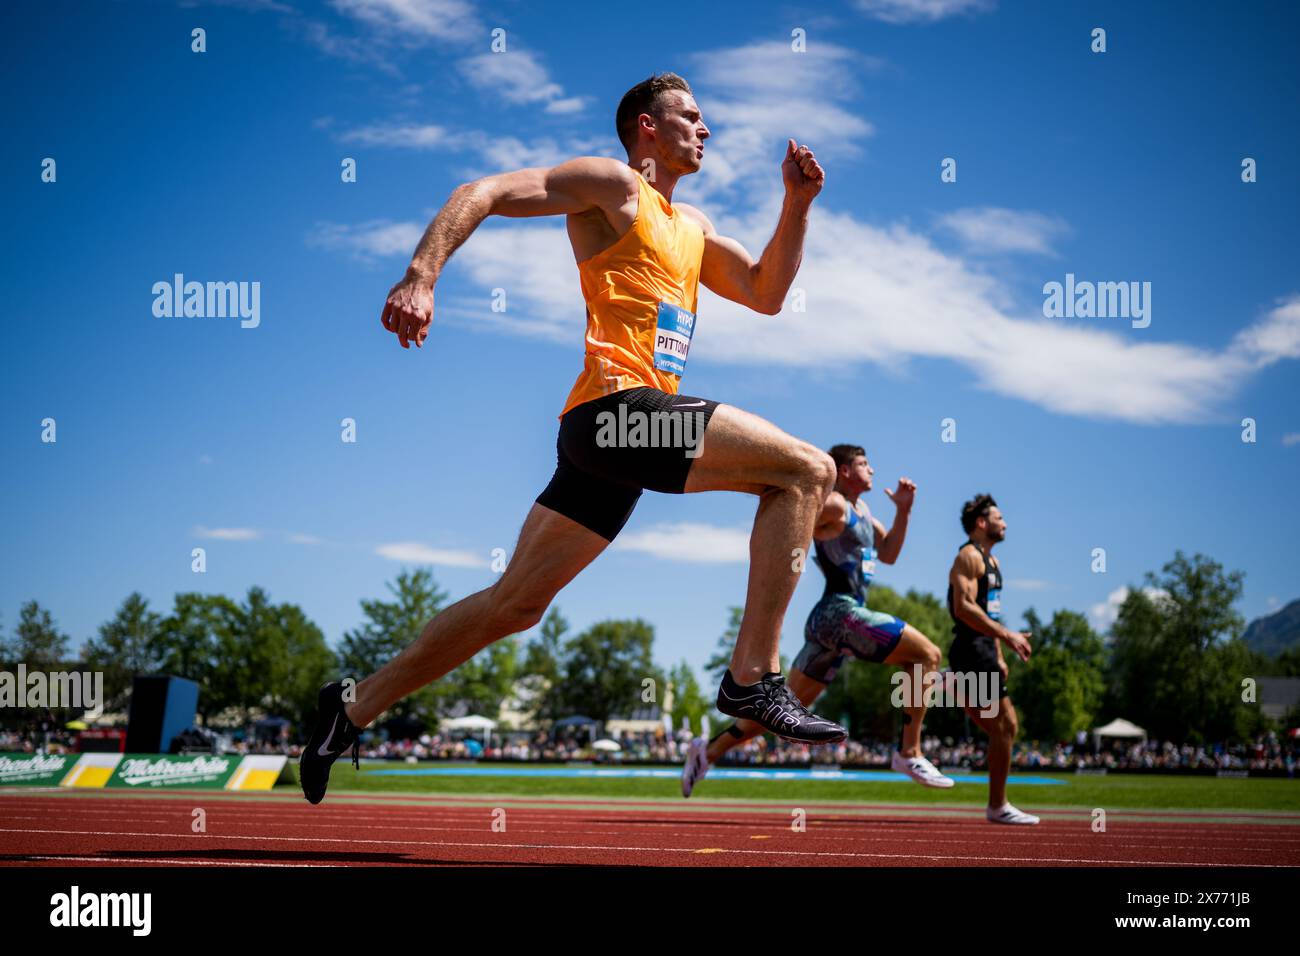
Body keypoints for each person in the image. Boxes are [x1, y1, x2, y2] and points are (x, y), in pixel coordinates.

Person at [300, 72, 849, 805]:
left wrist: (797, 204)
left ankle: (350, 707)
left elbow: (765, 292)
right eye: (690, 116)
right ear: (646, 128)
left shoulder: (693, 229)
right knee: (807, 471)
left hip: (615, 443)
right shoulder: (612, 185)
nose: (706, 129)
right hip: (616, 412)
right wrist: (420, 275)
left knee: (514, 607)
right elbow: (484, 190)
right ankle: (753, 678)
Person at [682, 445, 952, 796]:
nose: (872, 469)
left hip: (830, 626)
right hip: (841, 613)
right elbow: (796, 515)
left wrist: (904, 511)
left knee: (777, 712)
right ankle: (909, 752)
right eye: (863, 464)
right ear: (843, 471)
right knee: (926, 656)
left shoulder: (865, 514)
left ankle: (707, 750)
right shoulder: (837, 506)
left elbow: (889, 554)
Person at [946, 493, 1038, 824]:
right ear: (981, 523)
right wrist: (1007, 636)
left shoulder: (994, 563)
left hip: (985, 650)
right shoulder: (968, 557)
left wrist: (999, 652)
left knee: (995, 727)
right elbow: (964, 608)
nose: (1005, 523)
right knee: (1006, 725)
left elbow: (990, 612)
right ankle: (998, 806)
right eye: (999, 518)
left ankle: (950, 683)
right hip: (972, 648)